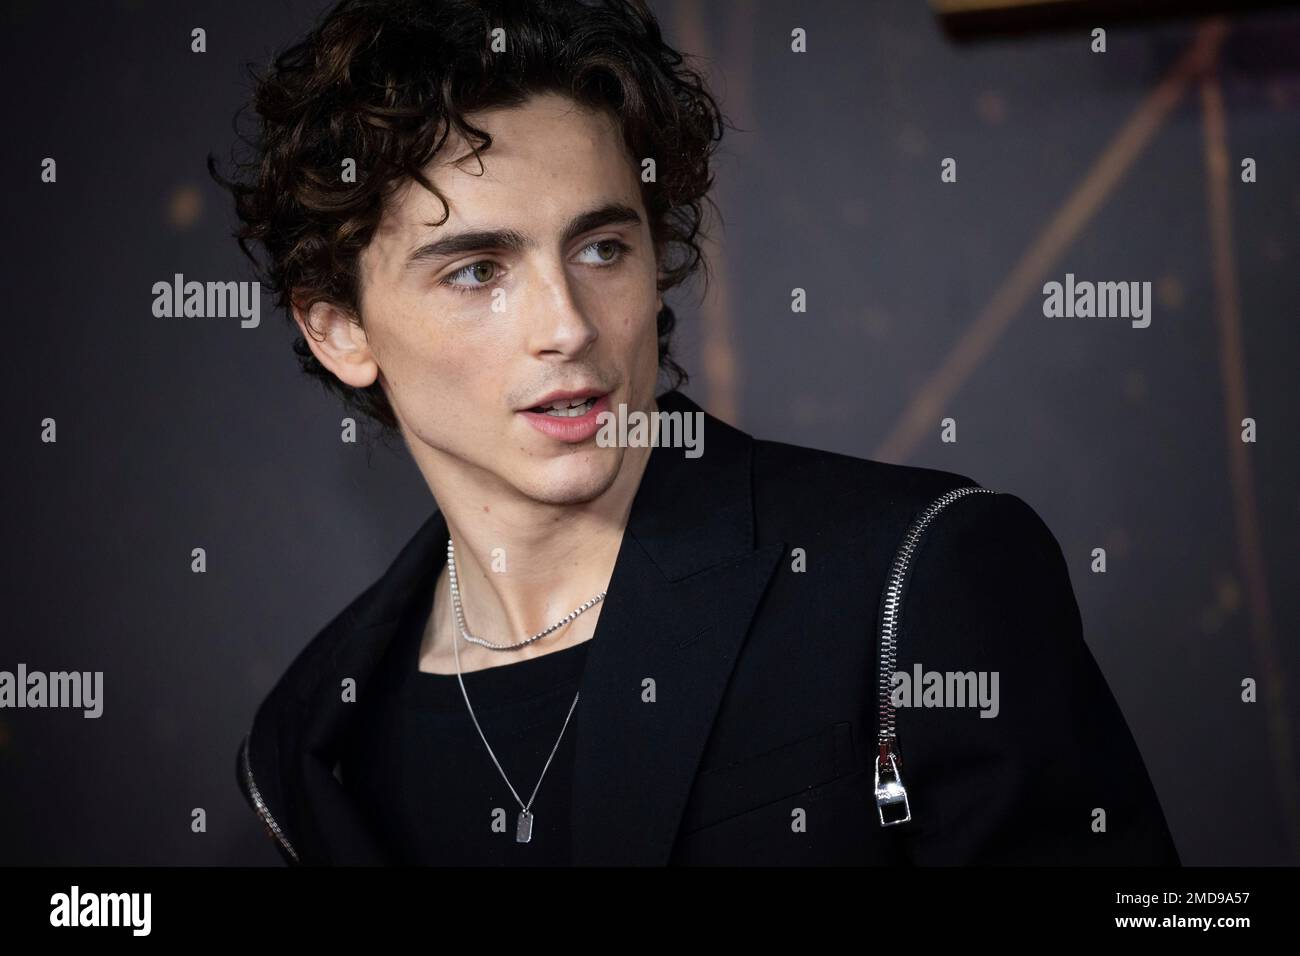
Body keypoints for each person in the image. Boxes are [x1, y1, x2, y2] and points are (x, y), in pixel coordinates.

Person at [216, 0, 1180, 866]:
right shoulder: (312, 740)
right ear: (338, 329)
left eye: (602, 248)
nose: (569, 324)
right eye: (477, 270)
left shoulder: (917, 574)